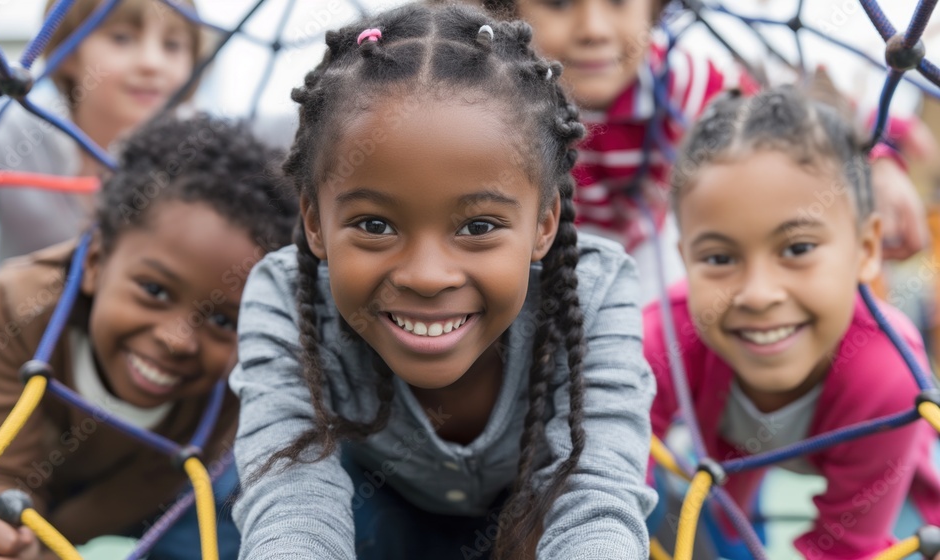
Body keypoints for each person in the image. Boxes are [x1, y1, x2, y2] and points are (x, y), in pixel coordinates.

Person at [230, 4, 657, 560]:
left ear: (544, 224)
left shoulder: (595, 289)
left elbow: (596, 490)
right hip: (380, 520)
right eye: (375, 225)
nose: (428, 277)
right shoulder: (286, 297)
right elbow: (292, 496)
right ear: (314, 222)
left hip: (537, 520)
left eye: (479, 226)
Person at [0, 113, 297, 560]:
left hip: (142, 486)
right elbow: (6, 470)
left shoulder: (238, 378)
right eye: (154, 292)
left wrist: (52, 545)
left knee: (224, 517)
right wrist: (13, 535)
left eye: (221, 322)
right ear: (96, 262)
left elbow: (147, 485)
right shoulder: (25, 302)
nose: (177, 339)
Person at [643, 86, 940, 559]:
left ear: (866, 251)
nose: (759, 295)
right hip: (730, 446)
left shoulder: (889, 377)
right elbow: (611, 471)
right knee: (713, 523)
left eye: (797, 249)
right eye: (719, 257)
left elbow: (843, 548)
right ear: (685, 260)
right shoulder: (666, 337)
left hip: (878, 453)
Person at [481, 0, 930, 303]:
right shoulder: (495, 101)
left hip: (647, 250)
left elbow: (797, 114)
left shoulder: (682, 84)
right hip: (536, 251)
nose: (594, 30)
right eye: (559, 3)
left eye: (618, 1)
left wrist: (880, 163)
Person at [0, 0, 202, 322]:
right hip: (28, 334)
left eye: (172, 45)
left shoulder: (199, 147)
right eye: (121, 38)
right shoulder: (17, 129)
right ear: (69, 52)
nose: (151, 63)